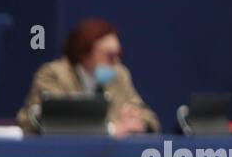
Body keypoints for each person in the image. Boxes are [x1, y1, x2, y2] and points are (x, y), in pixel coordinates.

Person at [17, 18, 158, 136]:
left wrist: (137, 121)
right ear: (84, 54)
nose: (116, 62)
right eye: (110, 56)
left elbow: (149, 118)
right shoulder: (54, 74)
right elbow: (55, 121)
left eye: (118, 55)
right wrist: (112, 130)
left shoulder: (119, 75)